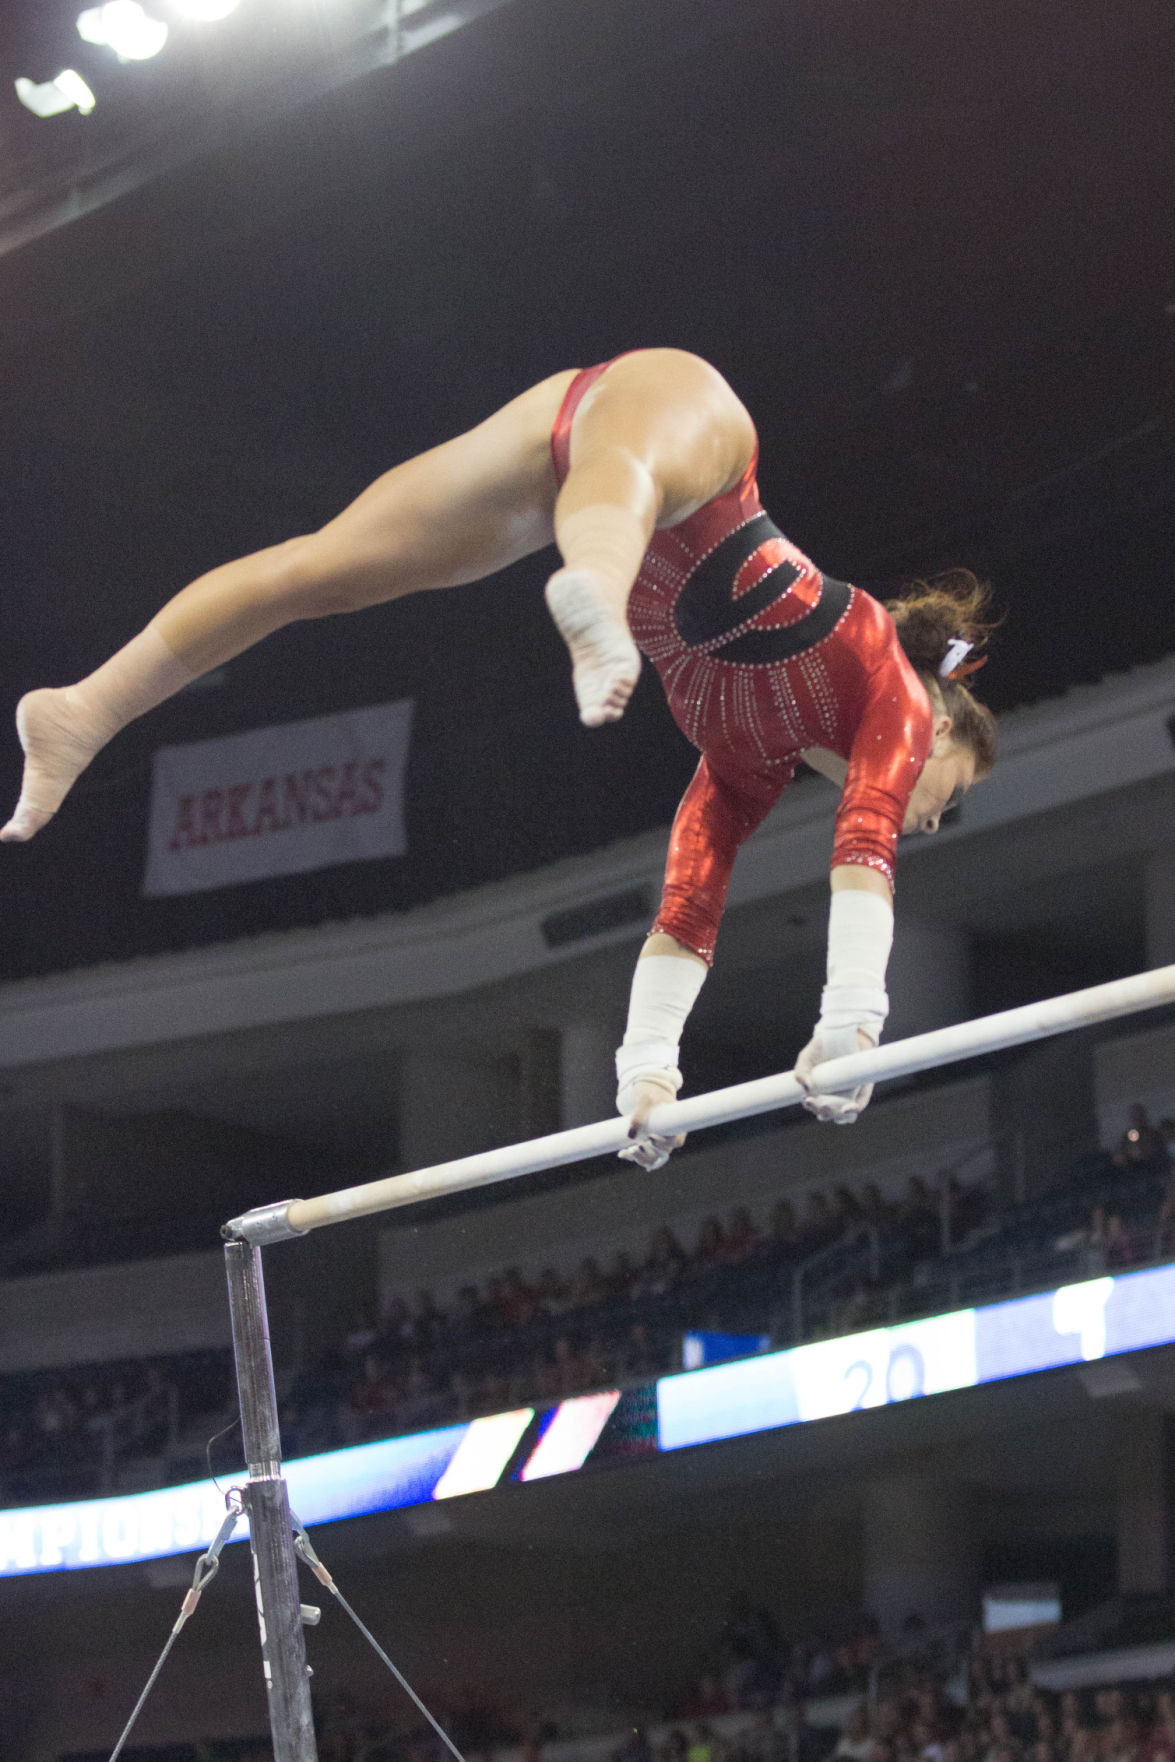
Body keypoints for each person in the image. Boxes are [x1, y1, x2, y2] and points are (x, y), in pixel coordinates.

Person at [2, 348, 995, 1159]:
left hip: (563, 456)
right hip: (687, 429)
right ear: (944, 721)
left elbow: (687, 901)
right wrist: (851, 1027)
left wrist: (644, 1075)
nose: (931, 811)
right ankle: (592, 598)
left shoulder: (745, 763)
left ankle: (83, 709)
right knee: (633, 479)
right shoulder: (891, 691)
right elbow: (863, 844)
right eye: (951, 795)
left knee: (321, 572)